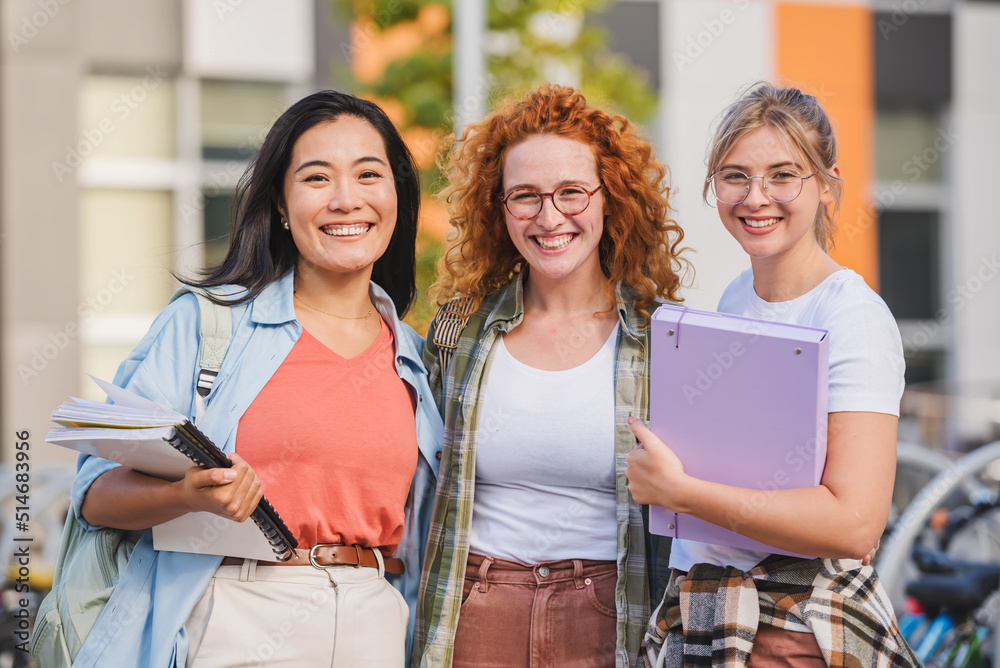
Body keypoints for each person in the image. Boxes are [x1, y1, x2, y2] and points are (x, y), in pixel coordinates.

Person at [69, 91, 442, 667]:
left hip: (376, 621)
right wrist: (183, 495)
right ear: (282, 201)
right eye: (317, 178)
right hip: (235, 615)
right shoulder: (206, 325)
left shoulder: (417, 359)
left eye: (369, 175)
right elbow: (94, 496)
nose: (347, 200)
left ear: (397, 194)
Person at [626, 82, 919, 667]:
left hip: (787, 630)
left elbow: (855, 523)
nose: (756, 197)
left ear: (829, 187)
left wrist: (682, 494)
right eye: (735, 176)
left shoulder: (851, 316)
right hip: (711, 613)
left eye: (783, 175)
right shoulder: (737, 297)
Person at [415, 84, 686, 668]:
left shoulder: (662, 337)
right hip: (477, 609)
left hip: (608, 614)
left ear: (610, 197)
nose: (549, 216)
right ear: (499, 207)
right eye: (525, 196)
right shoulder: (459, 331)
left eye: (571, 192)